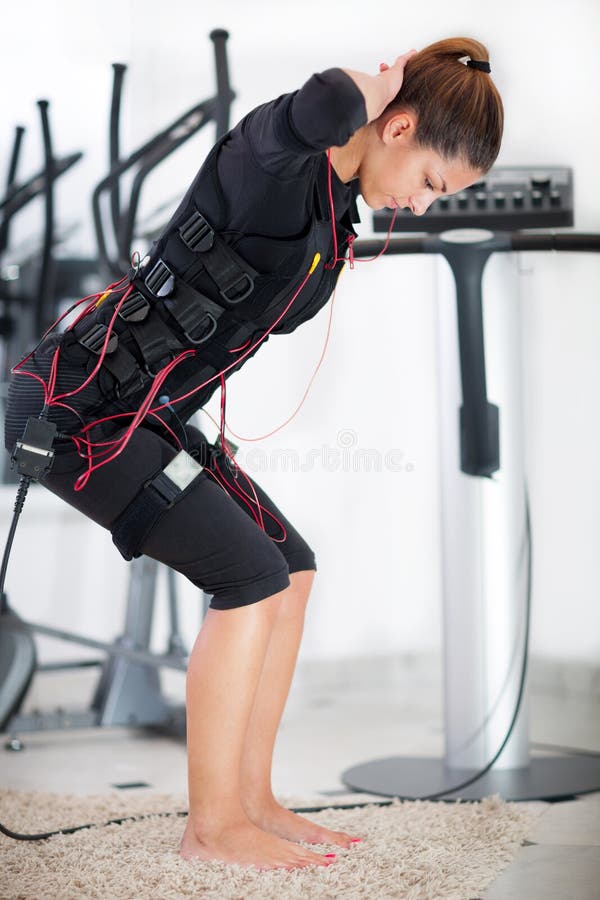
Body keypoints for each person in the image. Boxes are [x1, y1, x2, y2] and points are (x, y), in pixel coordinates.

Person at [4, 37, 503, 871]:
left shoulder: (334, 207)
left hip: (147, 414)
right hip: (73, 409)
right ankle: (211, 831)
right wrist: (381, 81)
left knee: (289, 566)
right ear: (397, 127)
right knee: (247, 578)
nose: (420, 204)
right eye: (430, 181)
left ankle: (252, 801)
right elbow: (321, 103)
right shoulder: (273, 160)